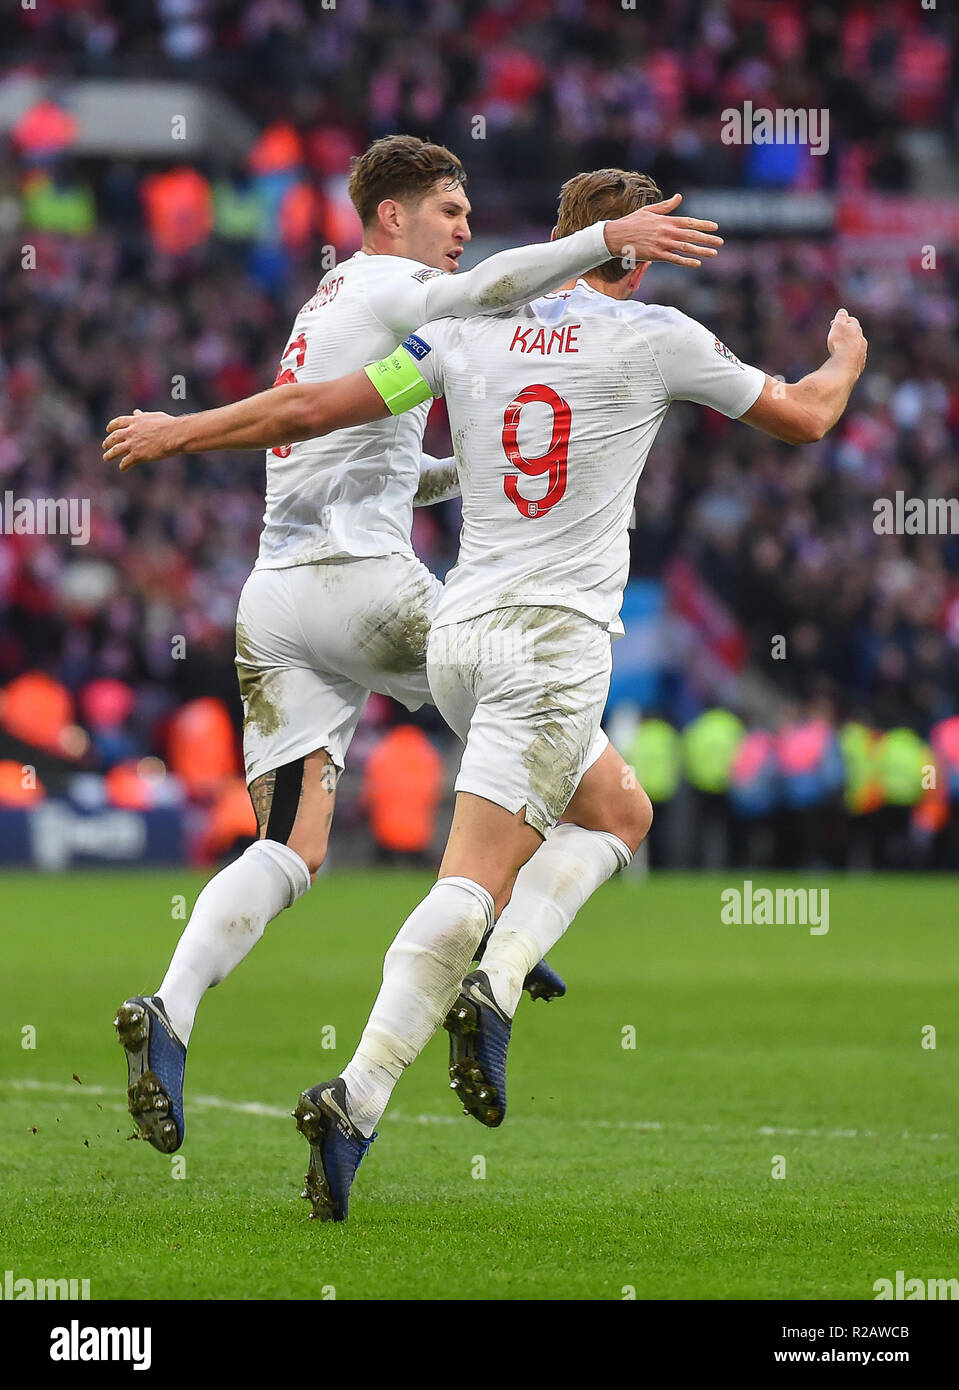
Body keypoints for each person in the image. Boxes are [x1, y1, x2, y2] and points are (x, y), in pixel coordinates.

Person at [107, 166, 866, 1219]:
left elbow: (317, 408)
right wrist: (842, 358)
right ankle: (402, 1055)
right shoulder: (656, 336)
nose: (466, 235)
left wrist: (177, 432)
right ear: (627, 251)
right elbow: (806, 418)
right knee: (477, 881)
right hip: (540, 640)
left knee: (602, 808)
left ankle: (420, 984)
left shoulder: (461, 338)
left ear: (554, 233)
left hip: (441, 628)